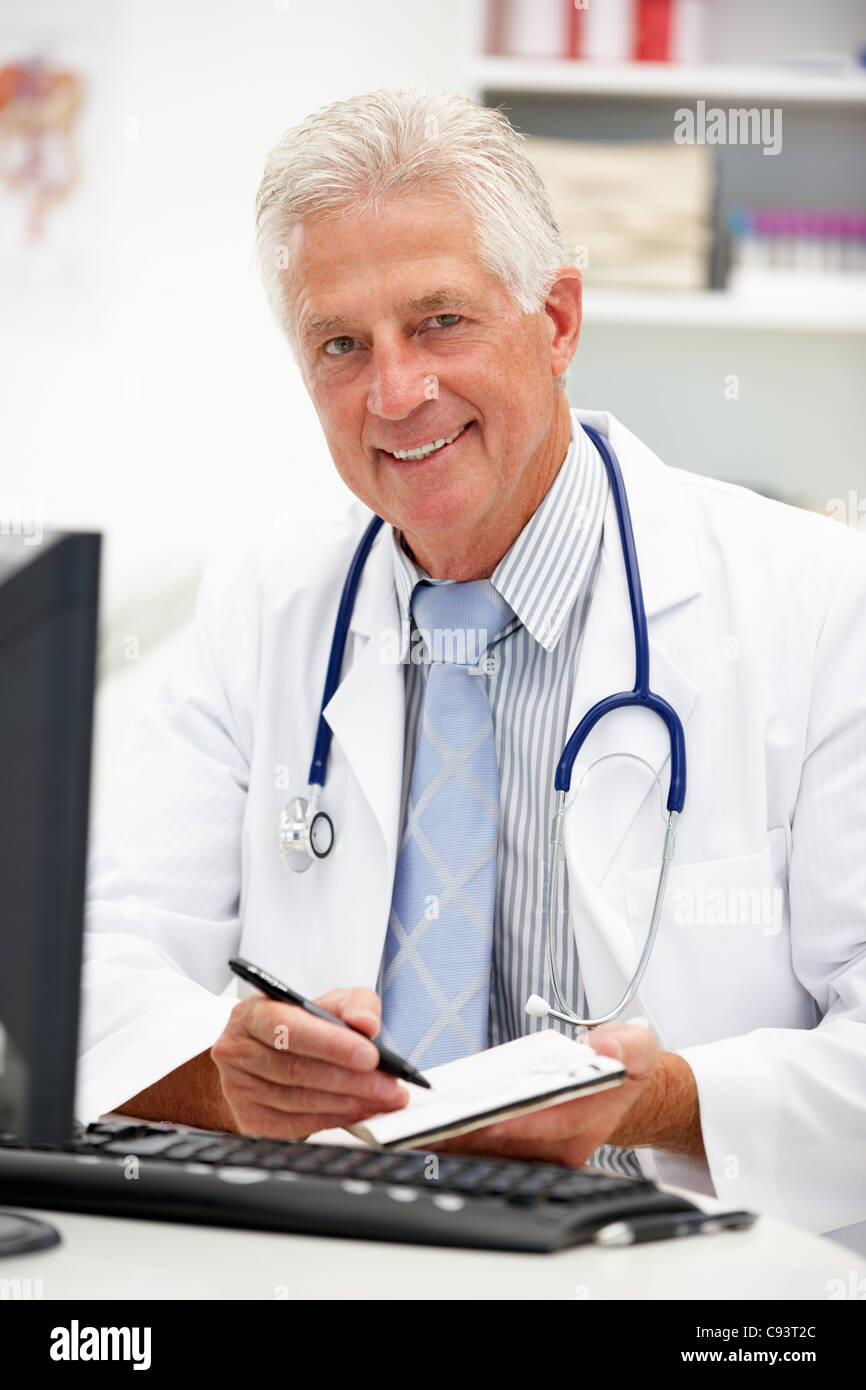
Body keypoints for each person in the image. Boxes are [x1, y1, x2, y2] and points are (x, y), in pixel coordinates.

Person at [79, 89, 866, 1252]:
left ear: (554, 318)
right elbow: (94, 963)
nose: (394, 395)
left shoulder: (813, 602)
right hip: (336, 1266)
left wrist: (663, 1100)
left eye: (439, 322)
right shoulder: (266, 604)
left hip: (672, 1280)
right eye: (340, 344)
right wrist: (225, 1075)